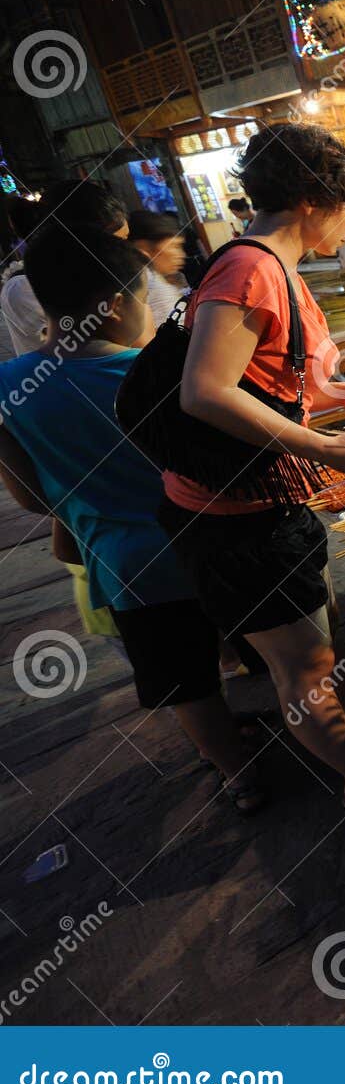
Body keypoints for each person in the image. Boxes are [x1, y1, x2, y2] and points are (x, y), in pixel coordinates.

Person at [159, 123, 345, 822]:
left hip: (270, 498)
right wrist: (328, 450)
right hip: (231, 514)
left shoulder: (276, 269)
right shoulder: (249, 267)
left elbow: (267, 381)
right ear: (315, 199)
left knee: (328, 634)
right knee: (303, 666)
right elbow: (205, 391)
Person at [0, 226, 266, 812]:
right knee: (270, 645)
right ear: (118, 303)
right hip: (217, 540)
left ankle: (237, 776)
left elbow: (30, 499)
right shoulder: (169, 376)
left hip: (128, 565)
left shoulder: (9, 388)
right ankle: (312, 732)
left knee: (184, 682)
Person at [3, 180, 129, 358]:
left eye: (125, 240)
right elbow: (88, 348)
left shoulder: (105, 273)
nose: (127, 252)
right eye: (117, 243)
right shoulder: (23, 286)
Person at [128, 210, 188, 325]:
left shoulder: (153, 278)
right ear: (143, 246)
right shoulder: (148, 283)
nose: (181, 254)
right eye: (174, 246)